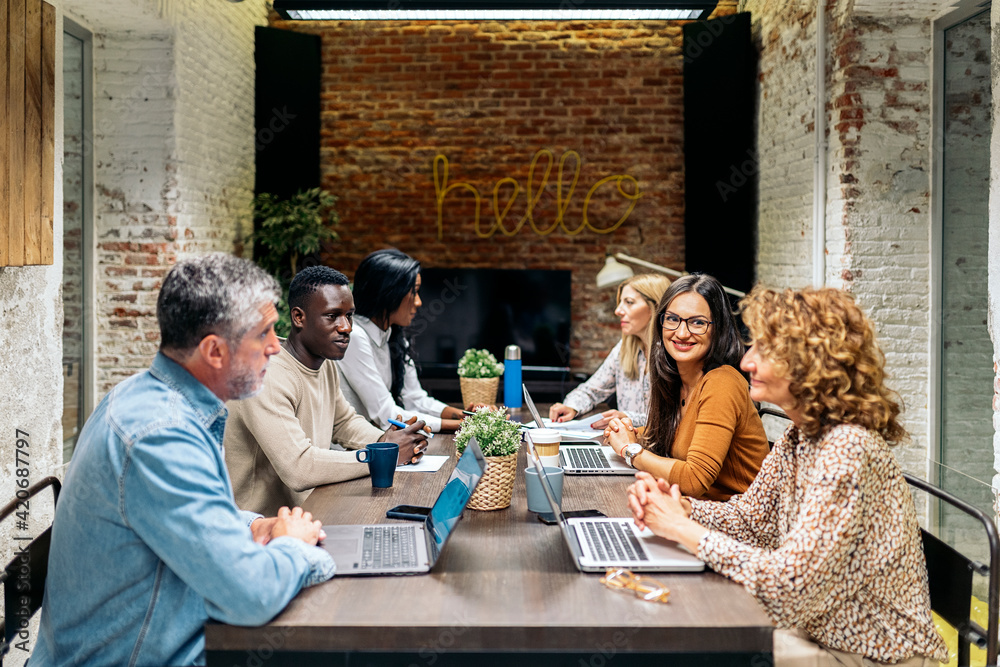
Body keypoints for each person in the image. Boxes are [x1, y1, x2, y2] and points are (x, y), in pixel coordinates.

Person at [33, 254, 336, 667]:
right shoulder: (163, 434)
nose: (274, 347)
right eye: (263, 333)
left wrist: (252, 525)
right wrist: (292, 545)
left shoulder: (147, 396)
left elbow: (184, 514)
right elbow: (252, 595)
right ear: (214, 351)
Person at [627, 286, 948, 667]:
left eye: (764, 351)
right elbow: (751, 520)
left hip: (871, 655)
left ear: (810, 363)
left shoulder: (847, 448)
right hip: (819, 632)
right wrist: (684, 508)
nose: (747, 361)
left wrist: (682, 529)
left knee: (692, 647)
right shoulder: (801, 436)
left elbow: (789, 587)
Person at [224, 265, 430, 517]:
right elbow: (299, 467)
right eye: (332, 316)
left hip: (309, 511)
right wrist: (382, 455)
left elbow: (344, 423)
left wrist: (390, 442)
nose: (346, 327)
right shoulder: (265, 374)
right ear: (298, 317)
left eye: (349, 316)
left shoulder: (325, 364)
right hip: (261, 526)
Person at [603, 273, 768, 500]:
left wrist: (629, 450)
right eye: (672, 319)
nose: (681, 333)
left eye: (698, 322)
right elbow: (667, 437)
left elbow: (693, 480)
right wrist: (626, 432)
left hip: (734, 515)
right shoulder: (676, 379)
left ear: (718, 329)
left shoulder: (722, 383)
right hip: (693, 507)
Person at [337, 248, 465, 432]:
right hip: (354, 446)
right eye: (414, 292)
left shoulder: (393, 335)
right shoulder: (354, 336)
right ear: (389, 293)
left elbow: (414, 399)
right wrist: (461, 426)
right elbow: (387, 416)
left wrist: (463, 415)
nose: (419, 302)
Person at [549, 273, 671, 429]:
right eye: (620, 303)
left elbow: (676, 421)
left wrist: (628, 418)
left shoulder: (673, 353)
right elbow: (591, 390)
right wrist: (572, 406)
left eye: (629, 302)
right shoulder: (624, 348)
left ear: (655, 307)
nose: (618, 311)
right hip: (624, 441)